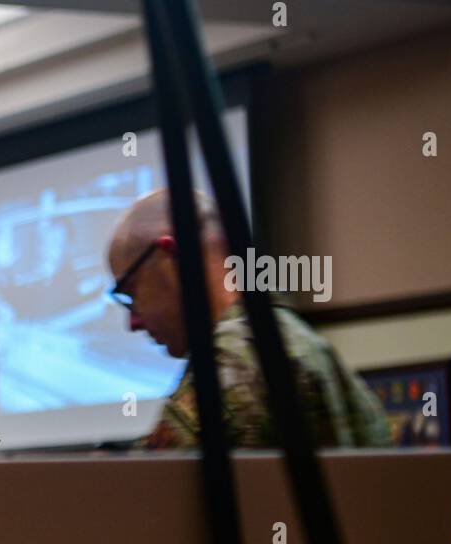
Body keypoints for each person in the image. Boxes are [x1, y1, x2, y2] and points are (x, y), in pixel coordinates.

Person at [106, 189, 390, 449]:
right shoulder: (307, 345)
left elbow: (150, 492)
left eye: (130, 294)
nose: (133, 323)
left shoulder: (237, 358)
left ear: (172, 256)